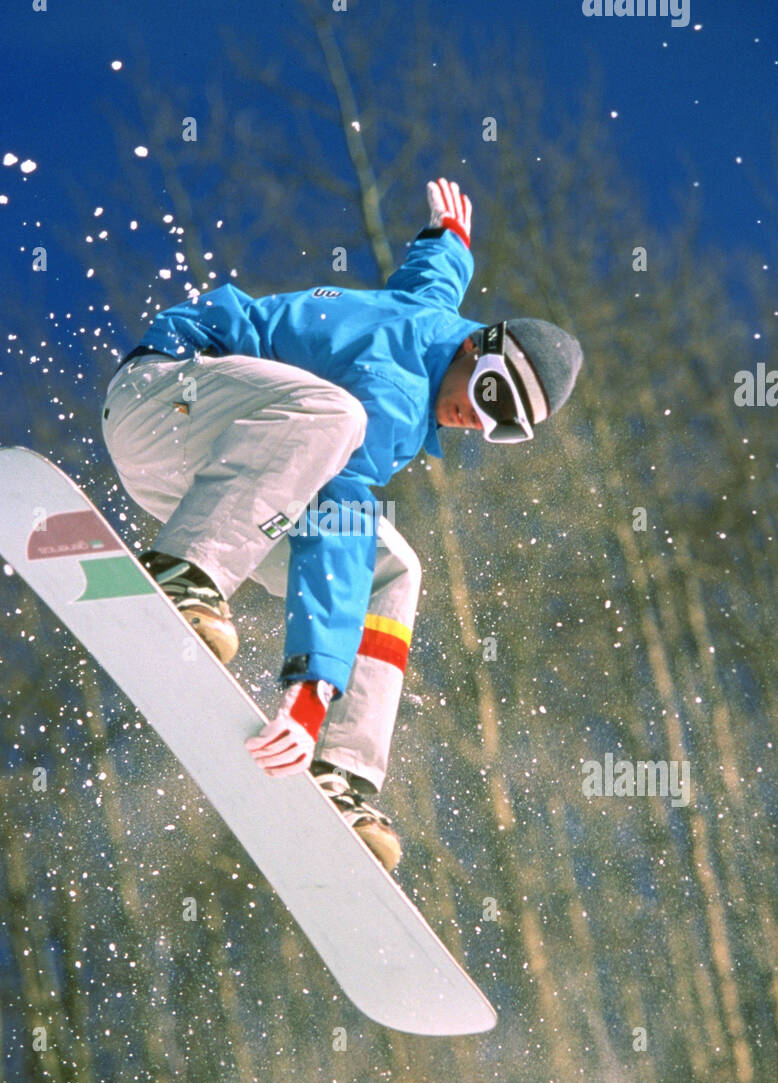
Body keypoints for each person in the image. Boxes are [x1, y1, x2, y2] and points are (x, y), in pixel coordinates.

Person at [101, 178, 583, 871]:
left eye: (503, 425)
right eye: (488, 396)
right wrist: (309, 690)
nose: (477, 421)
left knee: (397, 569)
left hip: (218, 472)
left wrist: (450, 235)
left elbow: (433, 280)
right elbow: (336, 524)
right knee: (337, 421)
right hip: (167, 396)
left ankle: (342, 775)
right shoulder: (390, 391)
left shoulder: (429, 323)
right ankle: (186, 572)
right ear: (478, 348)